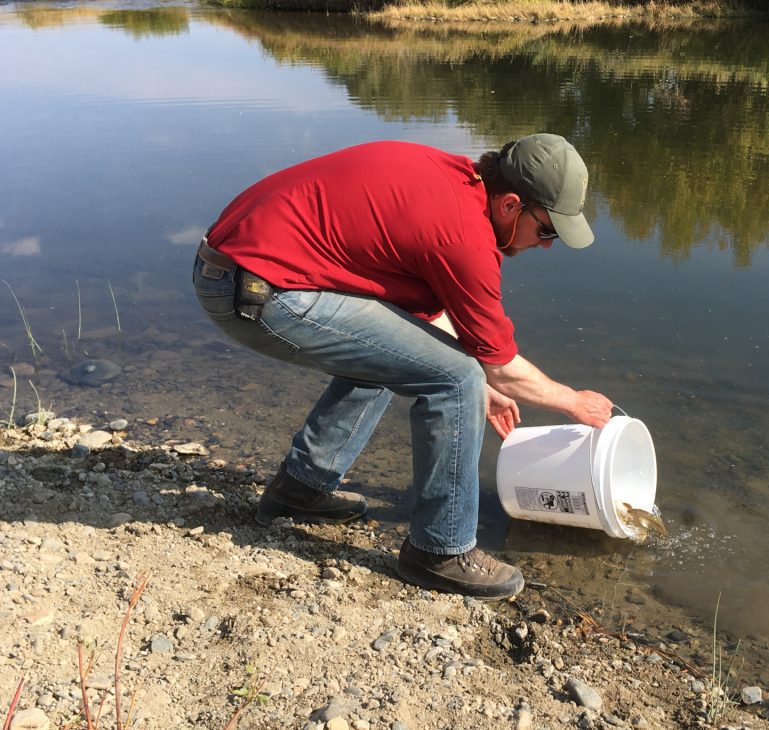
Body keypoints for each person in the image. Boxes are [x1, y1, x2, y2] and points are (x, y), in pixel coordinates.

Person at [192, 134, 613, 600]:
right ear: (511, 204)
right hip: (258, 290)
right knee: (456, 379)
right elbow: (501, 366)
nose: (547, 246)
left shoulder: (450, 180)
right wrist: (572, 402)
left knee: (404, 358)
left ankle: (301, 490)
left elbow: (424, 327)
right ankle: (440, 551)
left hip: (232, 264)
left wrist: (481, 372)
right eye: (547, 231)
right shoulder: (462, 234)